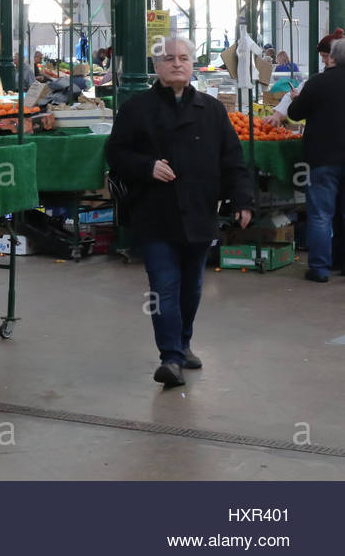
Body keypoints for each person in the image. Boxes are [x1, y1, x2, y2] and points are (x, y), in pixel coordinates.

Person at [106, 36, 254, 389]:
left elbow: (233, 160)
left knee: (192, 288)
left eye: (183, 58)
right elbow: (115, 154)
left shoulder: (212, 110)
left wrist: (243, 201)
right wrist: (146, 167)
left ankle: (184, 342)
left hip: (200, 212)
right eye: (169, 58)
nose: (177, 63)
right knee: (164, 287)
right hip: (155, 214)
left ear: (191, 64)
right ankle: (170, 358)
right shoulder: (135, 109)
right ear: (156, 67)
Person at [286, 37, 345, 283]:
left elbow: (294, 114)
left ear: (332, 57)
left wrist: (296, 99)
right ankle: (341, 262)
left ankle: (320, 269)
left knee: (321, 214)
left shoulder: (317, 83)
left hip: (323, 158)